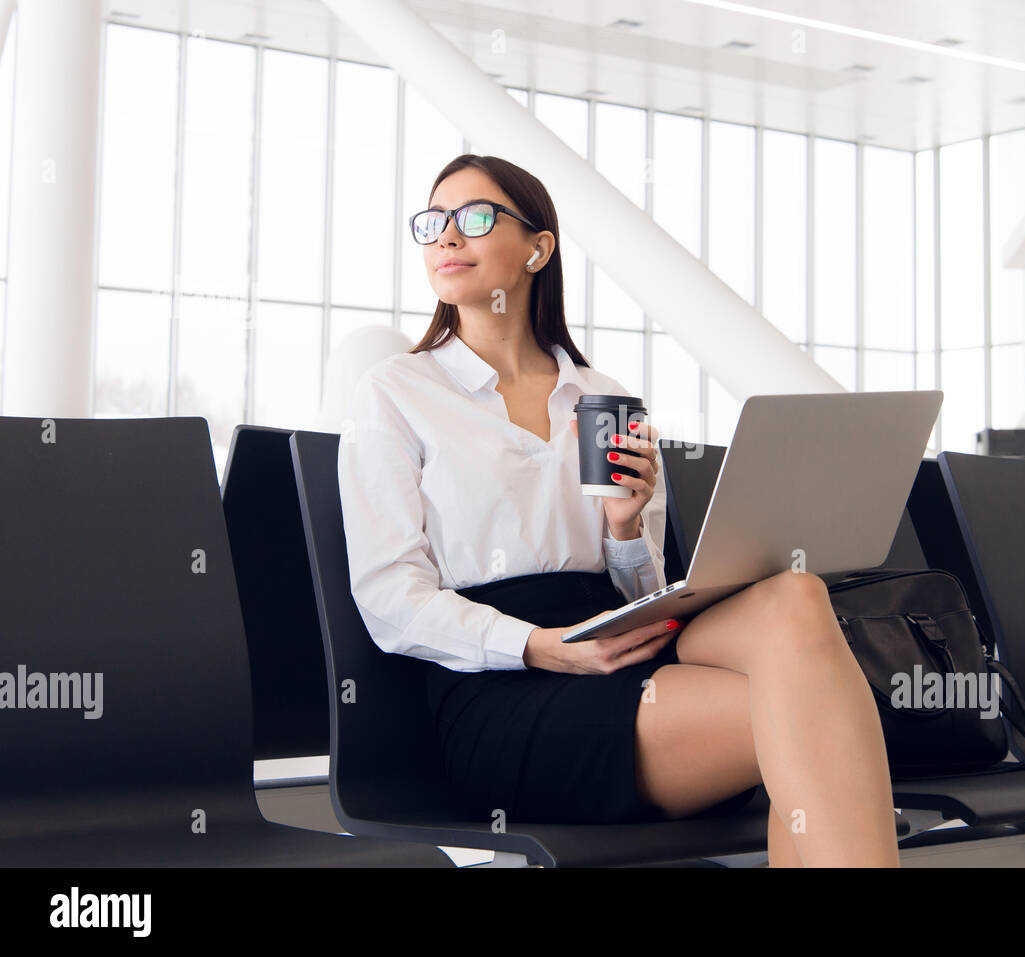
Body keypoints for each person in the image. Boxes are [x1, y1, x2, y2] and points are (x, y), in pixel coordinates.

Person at [337, 153, 898, 867]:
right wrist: (539, 645)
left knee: (796, 595)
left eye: (475, 217)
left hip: (621, 646)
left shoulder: (602, 396)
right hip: (501, 689)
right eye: (433, 222)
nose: (447, 237)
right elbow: (389, 599)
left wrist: (627, 526)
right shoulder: (396, 392)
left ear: (539, 247)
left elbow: (643, 597)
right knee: (813, 717)